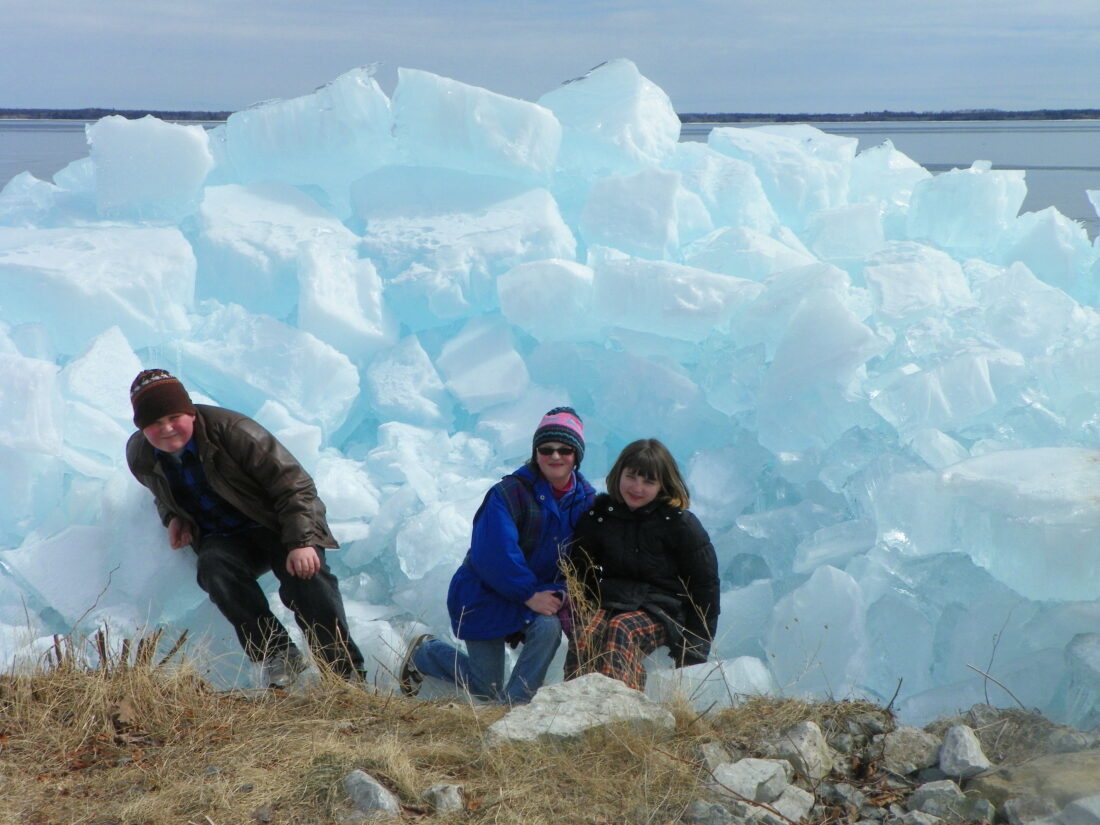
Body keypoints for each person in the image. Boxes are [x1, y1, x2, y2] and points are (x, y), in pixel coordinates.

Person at [125, 368, 365, 687]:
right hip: (225, 538)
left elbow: (296, 486)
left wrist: (301, 541)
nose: (166, 428)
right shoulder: (140, 453)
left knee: (308, 581)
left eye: (173, 417)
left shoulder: (235, 432)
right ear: (142, 428)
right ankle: (278, 655)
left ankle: (344, 673)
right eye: (154, 423)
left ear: (190, 412)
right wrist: (173, 517)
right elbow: (161, 491)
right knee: (214, 571)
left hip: (277, 525)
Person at [399, 407, 596, 704]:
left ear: (577, 455)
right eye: (546, 448)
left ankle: (512, 706)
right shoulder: (508, 493)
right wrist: (528, 593)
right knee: (484, 686)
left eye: (565, 449)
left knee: (549, 627)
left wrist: (560, 593)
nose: (555, 456)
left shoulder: (586, 501)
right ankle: (426, 653)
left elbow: (585, 559)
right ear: (536, 451)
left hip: (537, 596)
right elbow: (493, 554)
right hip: (486, 593)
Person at [565, 438, 719, 691]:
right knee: (586, 634)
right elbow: (581, 572)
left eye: (649, 481)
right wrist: (585, 610)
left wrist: (695, 646)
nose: (637, 487)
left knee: (622, 629)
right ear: (619, 474)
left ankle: (623, 712)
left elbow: (706, 586)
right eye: (631, 477)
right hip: (613, 601)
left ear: (663, 485)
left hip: (663, 609)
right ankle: (575, 706)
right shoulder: (600, 517)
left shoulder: (680, 524)